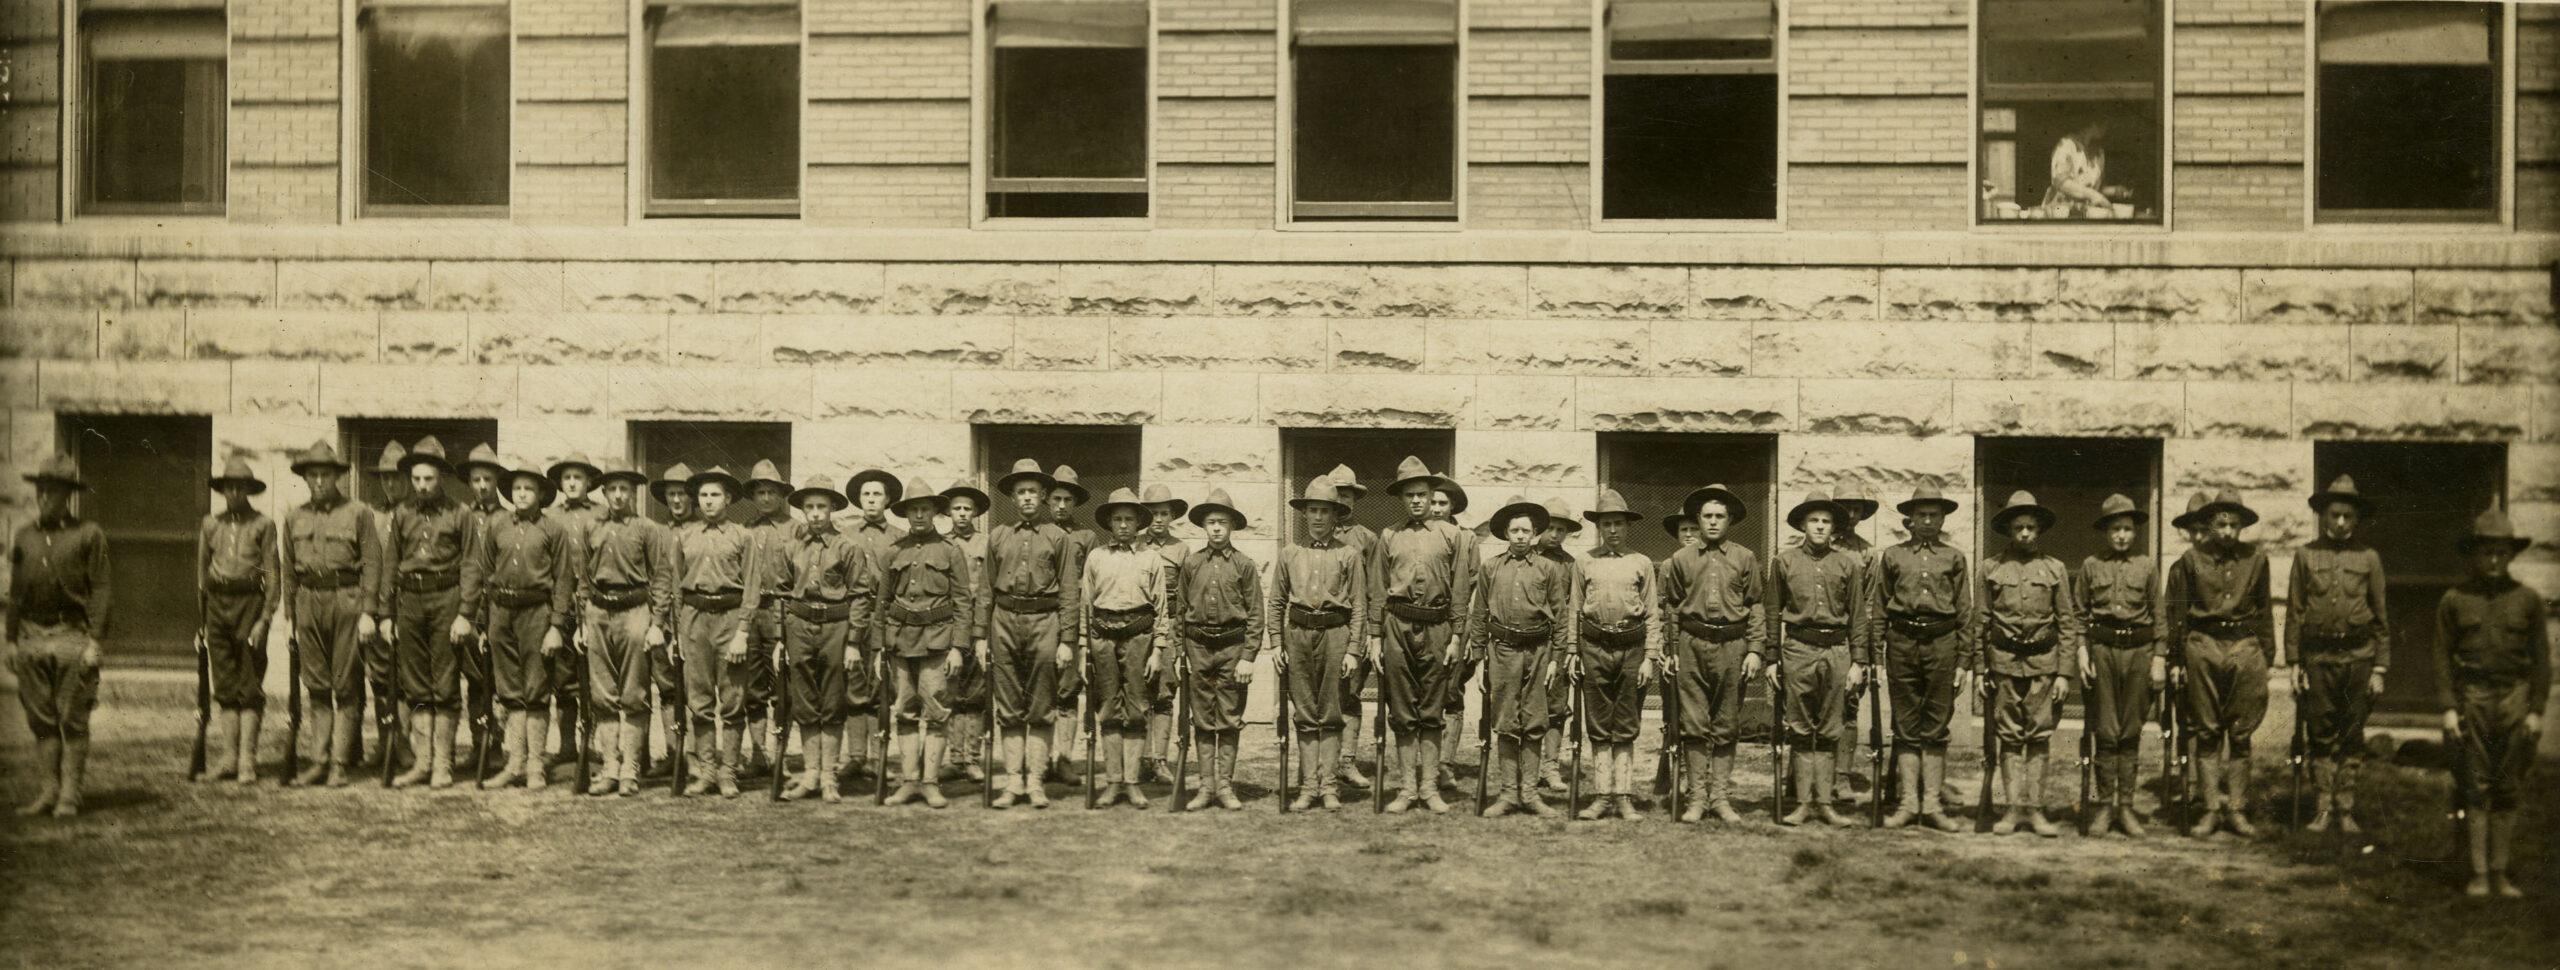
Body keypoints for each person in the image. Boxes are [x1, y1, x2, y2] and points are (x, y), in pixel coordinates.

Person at [2433, 509, 2547, 898]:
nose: (2494, 560)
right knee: (2476, 782)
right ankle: (2478, 873)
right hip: (2473, 698)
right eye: (2486, 553)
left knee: (2508, 784)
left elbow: (2542, 663)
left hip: (2514, 697)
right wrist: (2449, 708)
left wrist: (2536, 710)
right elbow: (2441, 658)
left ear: (2511, 555)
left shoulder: (2528, 601)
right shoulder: (2455, 600)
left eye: (2501, 552)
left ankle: (2501, 871)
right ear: (2474, 555)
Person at [2163, 491, 2275, 839]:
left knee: (2240, 733)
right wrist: (2178, 659)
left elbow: (2264, 609)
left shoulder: (2256, 559)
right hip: (2203, 646)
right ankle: (2211, 809)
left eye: (2233, 524)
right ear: (2209, 525)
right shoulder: (2191, 560)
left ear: (2242, 526)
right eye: (2220, 524)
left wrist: (2266, 656)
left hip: (2244, 646)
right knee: (2207, 730)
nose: (2227, 531)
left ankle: (2238, 810)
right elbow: (2179, 614)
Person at [1368, 457, 1475, 815]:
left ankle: (1429, 787)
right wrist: (1375, 637)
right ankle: (1406, 789)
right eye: (1409, 495)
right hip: (1397, 627)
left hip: (1438, 628)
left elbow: (1460, 590)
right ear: (1401, 498)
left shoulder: (1453, 536)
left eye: (1422, 494)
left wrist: (1458, 635)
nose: (1416, 501)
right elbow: (1378, 590)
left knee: (1432, 709)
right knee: (1401, 711)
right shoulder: (1389, 536)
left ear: (1432, 496)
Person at [381, 437, 488, 790]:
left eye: (429, 479)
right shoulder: (401, 515)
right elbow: (390, 564)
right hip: (410, 603)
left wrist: (465, 614)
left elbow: (472, 565)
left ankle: (443, 764)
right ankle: (422, 762)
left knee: (444, 684)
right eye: (416, 480)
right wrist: (386, 614)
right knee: (416, 686)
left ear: (441, 477)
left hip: (447, 599)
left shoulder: (461, 514)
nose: (422, 486)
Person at [1975, 491, 2083, 837]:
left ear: (2039, 531)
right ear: (2008, 529)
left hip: (2043, 666)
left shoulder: (2054, 570)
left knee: (2038, 737)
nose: (2024, 533)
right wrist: (1980, 669)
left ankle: (2034, 811)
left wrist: (2065, 673)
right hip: (2004, 665)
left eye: (2030, 528)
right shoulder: (1991, 569)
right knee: (2008, 737)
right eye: (2018, 527)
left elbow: (2068, 622)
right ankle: (2010, 811)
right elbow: (1980, 623)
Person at [2286, 476, 2388, 834]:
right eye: (2334, 515)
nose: (2341, 522)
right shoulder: (2305, 555)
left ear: (2356, 518)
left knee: (2352, 733)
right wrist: (2294, 663)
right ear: (2323, 516)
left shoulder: (2369, 558)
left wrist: (2380, 667)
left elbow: (2380, 616)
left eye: (2347, 516)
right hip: (2318, 659)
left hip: (2359, 657)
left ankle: (2346, 808)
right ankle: (2323, 807)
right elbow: (2295, 612)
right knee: (2321, 733)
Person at [9, 456, 110, 817]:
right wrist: (10, 640)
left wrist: (95, 641)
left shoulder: (88, 535)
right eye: (40, 489)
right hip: (32, 635)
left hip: (72, 634)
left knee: (73, 718)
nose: (44, 496)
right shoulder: (24, 537)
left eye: (52, 490)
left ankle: (70, 795)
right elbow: (16, 592)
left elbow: (100, 590)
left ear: (67, 495)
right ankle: (48, 792)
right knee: (41, 719)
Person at [278, 442, 382, 788]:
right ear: (305, 478)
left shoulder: (358, 513)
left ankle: (340, 763)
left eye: (325, 474)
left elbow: (371, 564)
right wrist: (289, 615)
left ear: (336, 476)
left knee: (346, 684)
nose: (319, 480)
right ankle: (319, 760)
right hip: (308, 601)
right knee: (317, 685)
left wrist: (368, 612)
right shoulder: (294, 517)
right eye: (313, 475)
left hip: (346, 600)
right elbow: (288, 570)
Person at [770, 475, 878, 803]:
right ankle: (811, 774)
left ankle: (830, 776)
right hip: (799, 627)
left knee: (832, 701)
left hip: (836, 627)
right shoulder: (790, 547)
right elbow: (781, 594)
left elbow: (861, 595)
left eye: (821, 507)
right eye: (809, 507)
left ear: (832, 508)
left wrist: (853, 642)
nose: (816, 513)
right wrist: (780, 638)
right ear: (802, 510)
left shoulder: (848, 547)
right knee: (803, 701)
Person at [472, 462, 578, 791]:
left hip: (537, 613)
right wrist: (483, 623)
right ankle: (514, 762)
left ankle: (535, 766)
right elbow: (486, 574)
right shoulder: (497, 526)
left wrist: (556, 626)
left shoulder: (552, 530)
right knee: (509, 691)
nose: (521, 494)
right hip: (502, 613)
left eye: (528, 489)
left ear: (541, 494)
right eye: (517, 488)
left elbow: (563, 580)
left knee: (535, 689)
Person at [875, 477, 979, 808]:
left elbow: (964, 602)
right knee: (904, 710)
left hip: (938, 642)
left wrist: (958, 648)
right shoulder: (894, 551)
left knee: (936, 710)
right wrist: (880, 646)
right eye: (913, 510)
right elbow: (883, 601)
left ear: (935, 511)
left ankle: (931, 782)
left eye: (925, 509)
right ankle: (909, 782)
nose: (919, 515)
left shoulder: (951, 551)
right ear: (906, 514)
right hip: (900, 643)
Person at [982, 460, 1079, 809]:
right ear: (1012, 497)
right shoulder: (998, 536)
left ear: (1043, 496)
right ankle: (1013, 783)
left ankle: (1036, 782)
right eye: (1021, 492)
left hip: (1045, 622)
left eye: (1033, 492)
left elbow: (1069, 591)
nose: (1027, 498)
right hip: (1004, 621)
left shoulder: (1058, 538)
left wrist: (1068, 640)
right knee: (1008, 706)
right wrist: (981, 637)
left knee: (1041, 704)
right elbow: (986, 590)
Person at [1768, 490, 1869, 828]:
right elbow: (1772, 611)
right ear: (1802, 524)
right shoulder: (1784, 562)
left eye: (1826, 521)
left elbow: (1857, 616)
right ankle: (1802, 802)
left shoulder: (1847, 564)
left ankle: (1824, 803)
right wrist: (1772, 657)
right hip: (1798, 649)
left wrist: (1859, 661)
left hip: (1837, 650)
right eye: (1814, 520)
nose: (1821, 527)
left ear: (1834, 527)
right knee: (1799, 727)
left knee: (1828, 729)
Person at [1663, 484, 1762, 824]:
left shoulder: (1744, 557)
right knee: (1693, 723)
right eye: (1707, 516)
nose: (1714, 522)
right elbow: (1672, 607)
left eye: (1720, 516)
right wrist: (1672, 649)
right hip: (1692, 644)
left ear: (1730, 519)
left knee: (1727, 723)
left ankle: (1719, 797)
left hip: (1732, 646)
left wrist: (1755, 650)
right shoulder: (1681, 559)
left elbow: (1755, 605)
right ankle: (1695, 799)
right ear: (1698, 520)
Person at [1871, 486, 1968, 832]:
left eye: (1935, 515)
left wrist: (1964, 662)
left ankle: (1932, 803)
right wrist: (1877, 657)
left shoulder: (1954, 558)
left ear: (1943, 519)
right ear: (1910, 520)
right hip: (1901, 642)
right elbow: (1880, 608)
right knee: (1906, 723)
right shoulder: (1894, 556)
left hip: (1942, 643)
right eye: (1922, 515)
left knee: (1937, 725)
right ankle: (1909, 802)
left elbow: (1964, 612)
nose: (1928, 521)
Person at [1270, 478, 1368, 812]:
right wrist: (1275, 643)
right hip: (1297, 635)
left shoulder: (1349, 555)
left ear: (1335, 515)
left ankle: (1328, 787)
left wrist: (1354, 649)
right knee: (1305, 712)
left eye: (1324, 511)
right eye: (1312, 510)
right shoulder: (1290, 554)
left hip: (1335, 635)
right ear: (1304, 514)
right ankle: (1308, 786)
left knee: (1331, 711)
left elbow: (1359, 606)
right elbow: (1276, 602)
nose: (1317, 518)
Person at [578, 457, 673, 797]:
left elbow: (661, 577)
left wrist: (657, 623)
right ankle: (609, 767)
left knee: (633, 693)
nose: (618, 496)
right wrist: (582, 622)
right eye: (613, 489)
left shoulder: (647, 529)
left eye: (625, 490)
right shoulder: (591, 526)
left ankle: (631, 768)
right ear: (603, 492)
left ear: (633, 493)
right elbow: (584, 578)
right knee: (602, 695)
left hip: (635, 611)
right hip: (599, 613)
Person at [1468, 497, 1565, 818]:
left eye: (1526, 530)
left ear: (1535, 534)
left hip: (1538, 652)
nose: (1521, 536)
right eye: (1515, 530)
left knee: (1536, 720)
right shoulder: (1491, 567)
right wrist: (1480, 657)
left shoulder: (1548, 569)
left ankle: (1531, 794)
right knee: (1507, 721)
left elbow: (1560, 617)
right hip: (1503, 651)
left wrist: (1555, 659)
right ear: (1506, 534)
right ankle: (1509, 794)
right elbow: (1479, 613)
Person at [2077, 493, 2163, 837]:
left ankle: (2125, 806)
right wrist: (2082, 652)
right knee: (2106, 730)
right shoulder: (2090, 566)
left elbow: (2159, 616)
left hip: (2139, 653)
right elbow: (2079, 614)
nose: (2122, 535)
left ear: (2135, 531)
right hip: (2102, 652)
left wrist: (2159, 657)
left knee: (2130, 729)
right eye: (2115, 529)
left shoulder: (2147, 566)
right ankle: (2104, 806)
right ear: (2106, 532)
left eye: (2127, 529)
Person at [1080, 488, 1170, 808]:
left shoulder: (1151, 558)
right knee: (1107, 709)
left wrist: (1158, 649)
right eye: (1117, 519)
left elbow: (1161, 608)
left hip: (1139, 637)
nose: (1122, 525)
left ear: (1138, 523)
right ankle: (1113, 782)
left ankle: (1132, 782)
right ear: (1109, 523)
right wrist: (1083, 648)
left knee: (1137, 708)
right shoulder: (1097, 557)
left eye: (1129, 519)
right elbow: (1085, 606)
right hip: (1102, 636)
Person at [1175, 489, 1261, 811]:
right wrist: (1179, 651)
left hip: (1232, 650)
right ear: (1203, 526)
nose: (1216, 528)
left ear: (1231, 526)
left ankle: (1225, 786)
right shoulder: (1192, 563)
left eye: (1222, 522)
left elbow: (1256, 614)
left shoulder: (1244, 565)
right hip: (1197, 648)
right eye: (1211, 522)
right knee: (1201, 719)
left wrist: (1248, 656)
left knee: (1228, 718)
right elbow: (1179, 612)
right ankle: (1205, 786)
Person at [673, 466, 756, 798]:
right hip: (694, 619)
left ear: (729, 499)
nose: (708, 502)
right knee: (699, 700)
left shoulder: (742, 536)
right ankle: (707, 770)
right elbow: (677, 588)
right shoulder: (685, 536)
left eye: (715, 495)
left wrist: (742, 631)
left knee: (733, 699)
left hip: (730, 618)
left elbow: (752, 586)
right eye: (703, 495)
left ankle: (729, 772)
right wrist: (678, 632)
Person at [198, 456, 279, 784]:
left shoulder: (263, 525)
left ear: (248, 490)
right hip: (218, 605)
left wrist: (265, 619)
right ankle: (229, 757)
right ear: (222, 490)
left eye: (240, 487)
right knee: (225, 683)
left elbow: (272, 574)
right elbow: (202, 574)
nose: (233, 493)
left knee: (248, 682)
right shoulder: (210, 524)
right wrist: (201, 621)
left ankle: (247, 758)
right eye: (228, 487)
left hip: (249, 605)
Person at [836, 468, 901, 786]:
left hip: (886, 616)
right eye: (866, 494)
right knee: (853, 684)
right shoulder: (845, 534)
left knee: (882, 686)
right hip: (853, 616)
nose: (872, 499)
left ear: (888, 499)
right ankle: (856, 756)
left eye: (877, 494)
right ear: (859, 500)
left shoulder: (899, 536)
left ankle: (878, 758)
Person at [544, 452, 607, 777]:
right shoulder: (549, 516)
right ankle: (566, 746)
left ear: (589, 482)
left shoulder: (602, 514)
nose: (572, 483)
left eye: (578, 478)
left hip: (593, 604)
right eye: (567, 478)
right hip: (559, 604)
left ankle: (590, 745)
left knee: (592, 677)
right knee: (563, 678)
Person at [454, 443, 513, 779]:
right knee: (474, 681)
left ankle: (499, 746)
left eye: (487, 479)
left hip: (498, 607)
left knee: (499, 680)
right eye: (475, 479)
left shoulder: (507, 517)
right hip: (466, 608)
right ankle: (479, 745)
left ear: (496, 481)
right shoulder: (464, 516)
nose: (481, 486)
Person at [639, 461, 696, 781]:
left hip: (692, 619)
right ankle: (673, 754)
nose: (677, 500)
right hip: (659, 619)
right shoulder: (655, 532)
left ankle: (695, 755)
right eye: (672, 494)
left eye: (683, 494)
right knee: (665, 687)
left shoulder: (701, 531)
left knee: (693, 689)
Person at [739, 459, 794, 782]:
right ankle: (758, 754)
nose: (765, 498)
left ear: (781, 495)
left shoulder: (795, 529)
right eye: (759, 492)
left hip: (781, 611)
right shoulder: (744, 530)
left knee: (782, 687)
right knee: (752, 685)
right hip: (749, 612)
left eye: (771, 491)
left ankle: (781, 755)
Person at [1044, 465, 1098, 784]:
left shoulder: (1086, 537)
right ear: (1046, 501)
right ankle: (1039, 758)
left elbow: (1090, 585)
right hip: (1038, 619)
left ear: (1075, 502)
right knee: (1037, 691)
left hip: (1072, 620)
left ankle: (1063, 758)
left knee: (1067, 690)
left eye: (1067, 499)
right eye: (1056, 499)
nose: (1062, 505)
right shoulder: (1036, 533)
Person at [1327, 464, 1380, 791]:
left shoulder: (1366, 538)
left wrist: (1370, 634)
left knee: (1349, 695)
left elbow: (1376, 589)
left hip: (1353, 627)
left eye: (1347, 495)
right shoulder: (1315, 538)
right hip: (1321, 630)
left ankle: (1347, 761)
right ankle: (1323, 765)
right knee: (1321, 697)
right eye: (1337, 496)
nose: (1342, 502)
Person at [1136, 484, 1190, 784]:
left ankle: (1159, 760)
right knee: (1137, 692)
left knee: (1164, 695)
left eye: (1164, 513)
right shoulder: (1135, 544)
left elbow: (1184, 600)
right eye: (1153, 513)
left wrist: (1179, 641)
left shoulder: (1180, 550)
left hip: (1167, 627)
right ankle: (1140, 759)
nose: (1158, 519)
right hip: (1137, 627)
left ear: (1172, 517)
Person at [940, 479, 993, 785]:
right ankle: (953, 757)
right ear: (948, 512)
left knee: (975, 691)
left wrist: (982, 630)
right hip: (948, 623)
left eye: (967, 509)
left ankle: (971, 757)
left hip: (978, 622)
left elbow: (987, 588)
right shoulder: (943, 544)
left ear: (974, 512)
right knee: (949, 690)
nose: (962, 514)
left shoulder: (985, 544)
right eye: (956, 508)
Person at [1535, 496, 1582, 793]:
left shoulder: (1571, 565)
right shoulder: (1525, 557)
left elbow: (1574, 607)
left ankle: (1551, 766)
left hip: (1558, 642)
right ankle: (1523, 768)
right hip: (1525, 640)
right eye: (1549, 527)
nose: (1554, 534)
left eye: (1560, 529)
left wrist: (1568, 647)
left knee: (1555, 706)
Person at [1433, 480, 1473, 792]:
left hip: (1457, 625)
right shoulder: (1415, 536)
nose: (1435, 509)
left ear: (1453, 508)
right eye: (1432, 502)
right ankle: (1426, 764)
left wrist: (1467, 634)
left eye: (1442, 504)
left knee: (1451, 690)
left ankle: (1445, 763)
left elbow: (1473, 590)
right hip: (1424, 625)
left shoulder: (1466, 539)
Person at [2045, 121, 2111, 210]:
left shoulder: (2099, 153)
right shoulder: (2066, 145)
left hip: (2086, 213)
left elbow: (2094, 188)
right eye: (2100, 123)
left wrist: (2114, 191)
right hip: (2060, 212)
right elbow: (2061, 183)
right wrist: (2093, 195)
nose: (2104, 128)